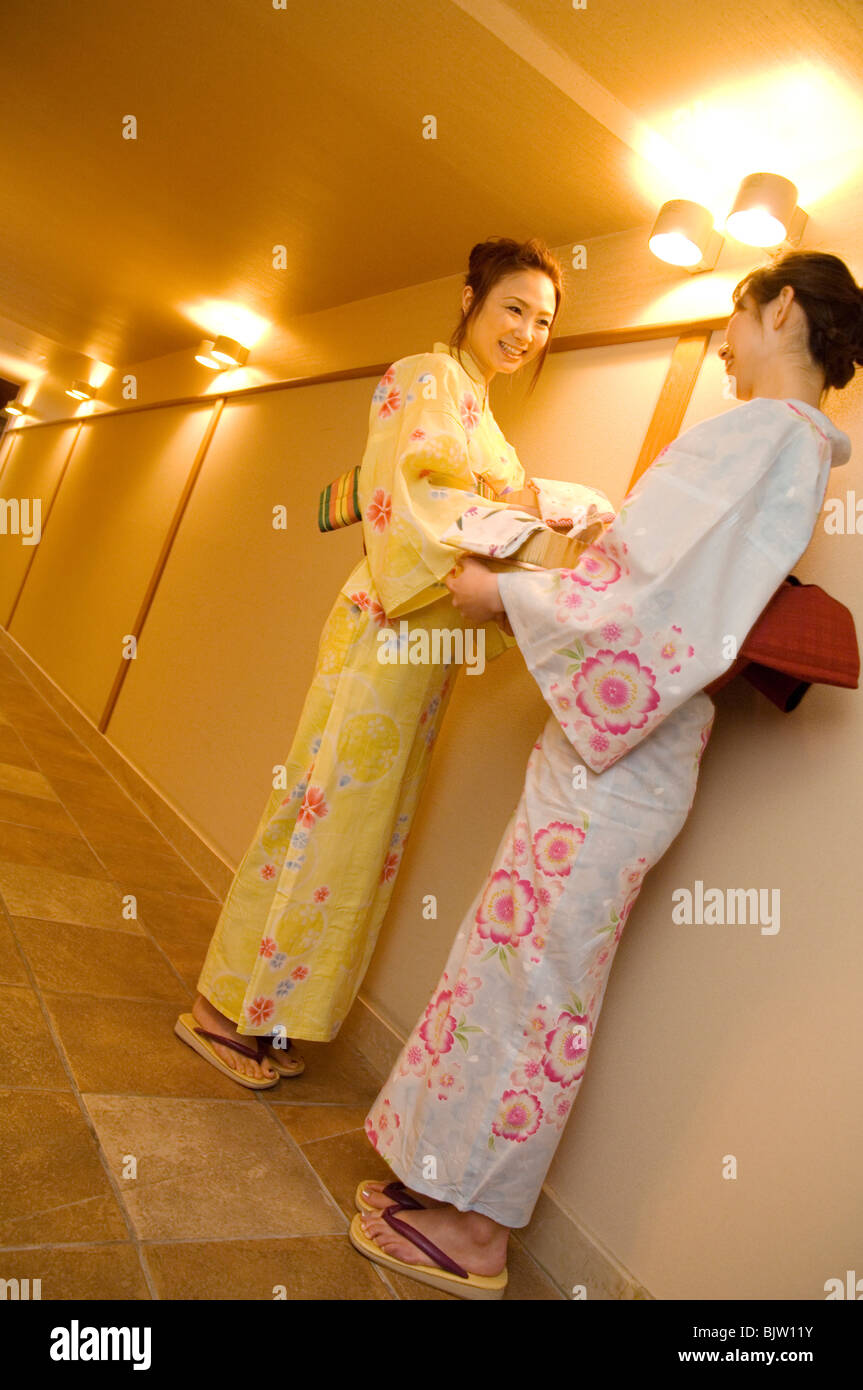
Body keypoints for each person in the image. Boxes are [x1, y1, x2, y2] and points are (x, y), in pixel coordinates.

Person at [351, 249, 863, 1297]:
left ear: (778, 309)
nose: (723, 347)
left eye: (734, 319)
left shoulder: (768, 433)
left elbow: (652, 598)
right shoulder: (788, 443)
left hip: (619, 763)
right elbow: (663, 575)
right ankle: (442, 1180)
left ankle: (478, 1231)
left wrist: (506, 596)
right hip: (624, 759)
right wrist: (588, 529)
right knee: (510, 963)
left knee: (534, 983)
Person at [178, 237, 609, 1087]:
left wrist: (538, 513)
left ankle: (268, 1012)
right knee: (321, 808)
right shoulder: (428, 377)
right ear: (469, 299)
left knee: (357, 830)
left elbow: (489, 525)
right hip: (389, 622)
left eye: (541, 321)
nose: (525, 332)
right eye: (512, 308)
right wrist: (538, 511)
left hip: (423, 646)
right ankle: (221, 1010)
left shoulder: (484, 418)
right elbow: (421, 499)